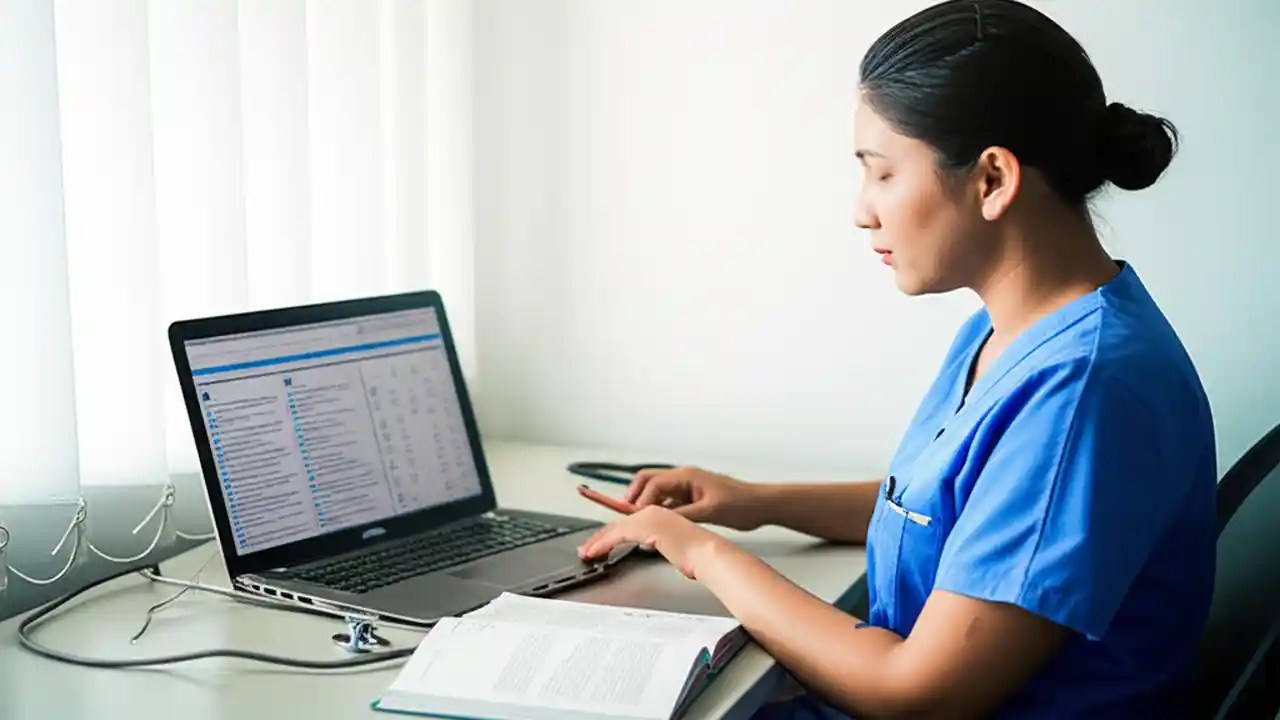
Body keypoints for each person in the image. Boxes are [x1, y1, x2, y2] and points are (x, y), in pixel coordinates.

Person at [576, 1, 1217, 717]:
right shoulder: (1009, 330)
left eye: (881, 174)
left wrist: (700, 553)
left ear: (993, 180)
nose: (861, 210)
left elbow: (916, 693)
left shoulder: (1085, 389)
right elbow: (949, 513)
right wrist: (753, 503)